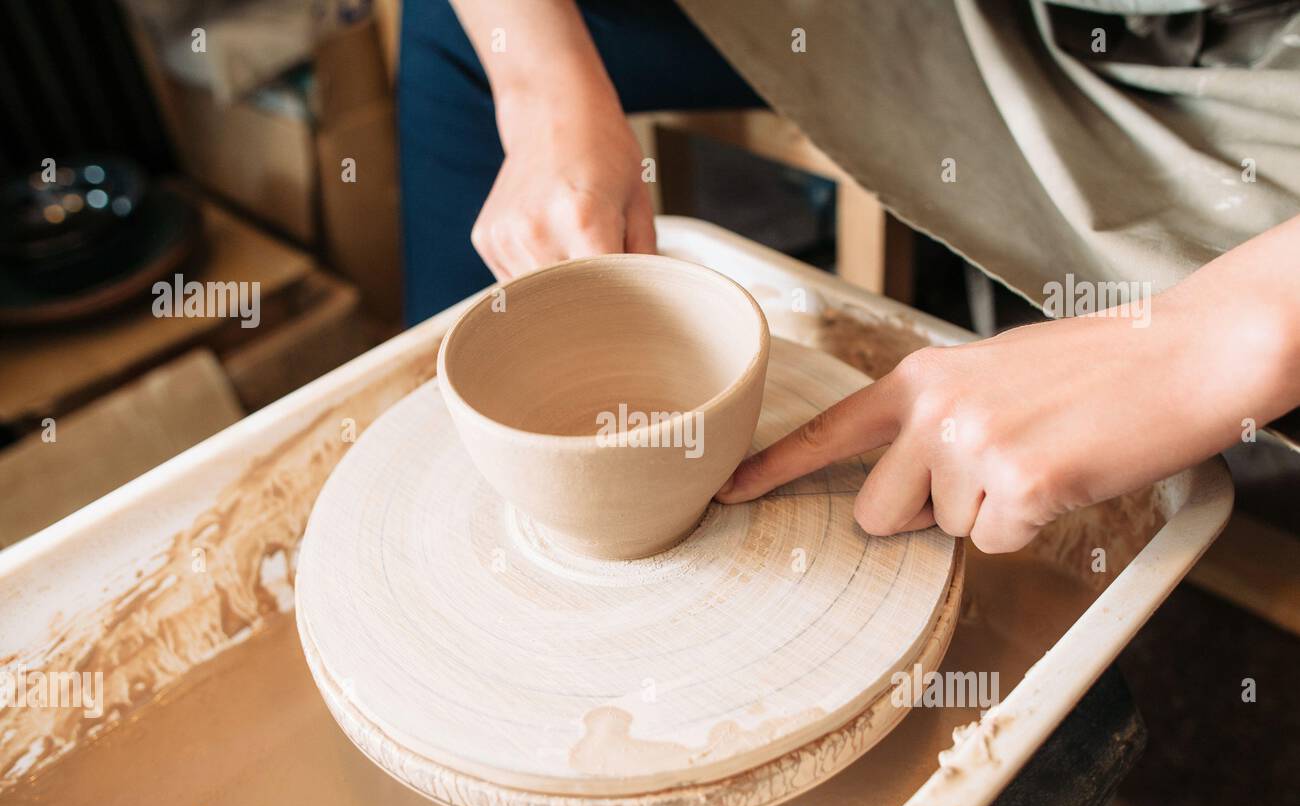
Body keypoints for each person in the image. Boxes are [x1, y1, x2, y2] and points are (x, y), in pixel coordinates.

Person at [401, 1, 1300, 554]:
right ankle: (460, 505)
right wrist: (543, 90)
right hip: (964, 14)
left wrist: (1226, 336)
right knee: (476, 30)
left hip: (1249, 70)